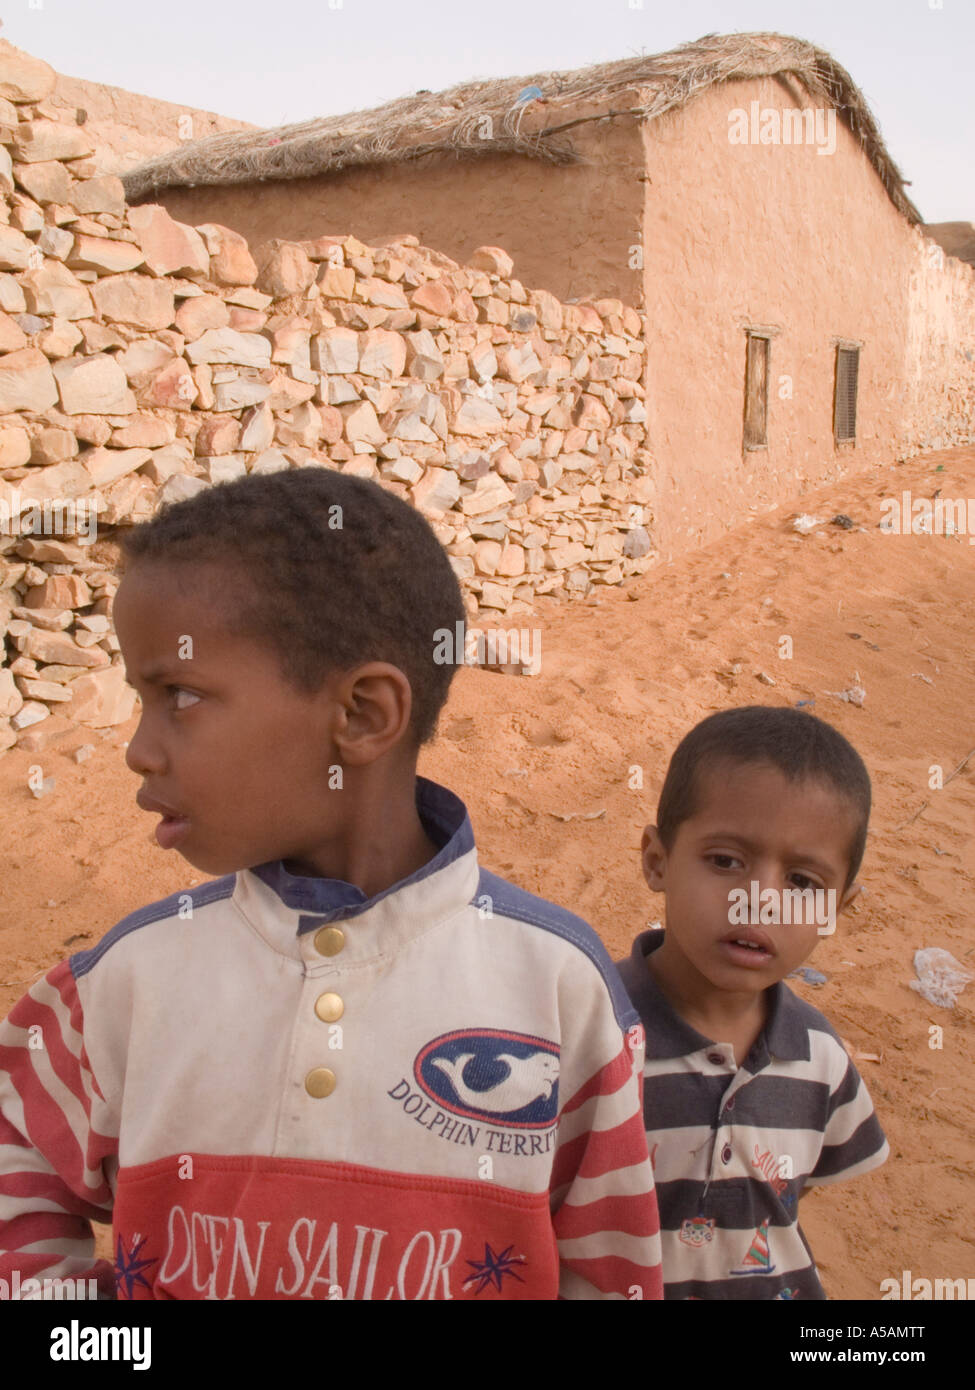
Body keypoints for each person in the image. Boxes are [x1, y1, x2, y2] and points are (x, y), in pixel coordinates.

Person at [0, 469, 661, 1302]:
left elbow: (611, 1270)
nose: (137, 749)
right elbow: (16, 1152)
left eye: (179, 696)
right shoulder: (126, 982)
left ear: (361, 716)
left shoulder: (557, 990)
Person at [615, 705, 888, 1300]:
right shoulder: (592, 1033)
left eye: (803, 884)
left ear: (836, 910)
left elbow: (787, 1192)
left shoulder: (818, 1059)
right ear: (656, 861)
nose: (758, 902)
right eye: (726, 861)